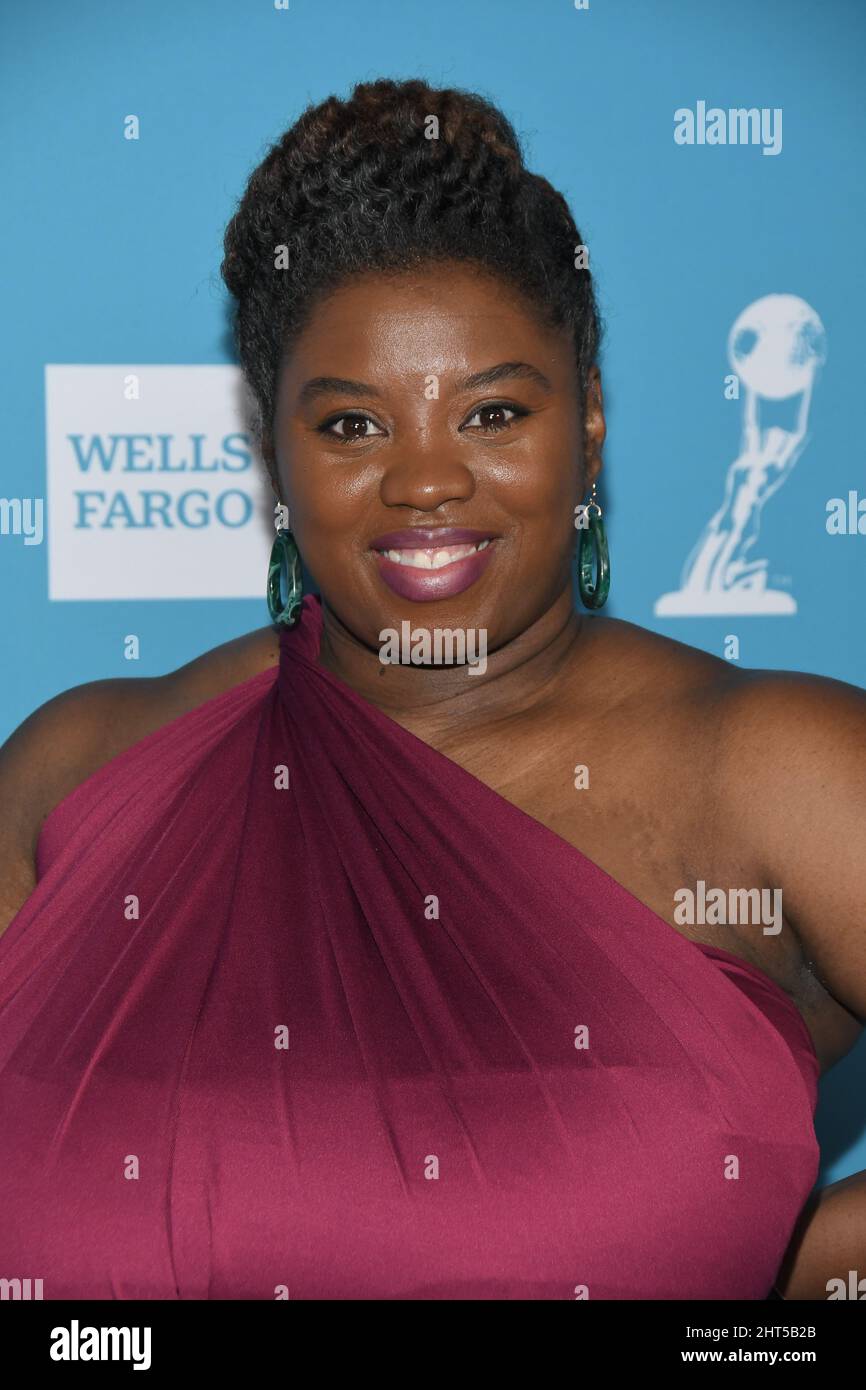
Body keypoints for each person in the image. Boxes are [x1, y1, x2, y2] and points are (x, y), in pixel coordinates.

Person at [0, 77, 864, 1301]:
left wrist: (771, 1295)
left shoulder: (780, 766)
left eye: (492, 412)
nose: (423, 484)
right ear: (272, 454)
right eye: (352, 427)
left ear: (592, 428)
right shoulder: (77, 766)